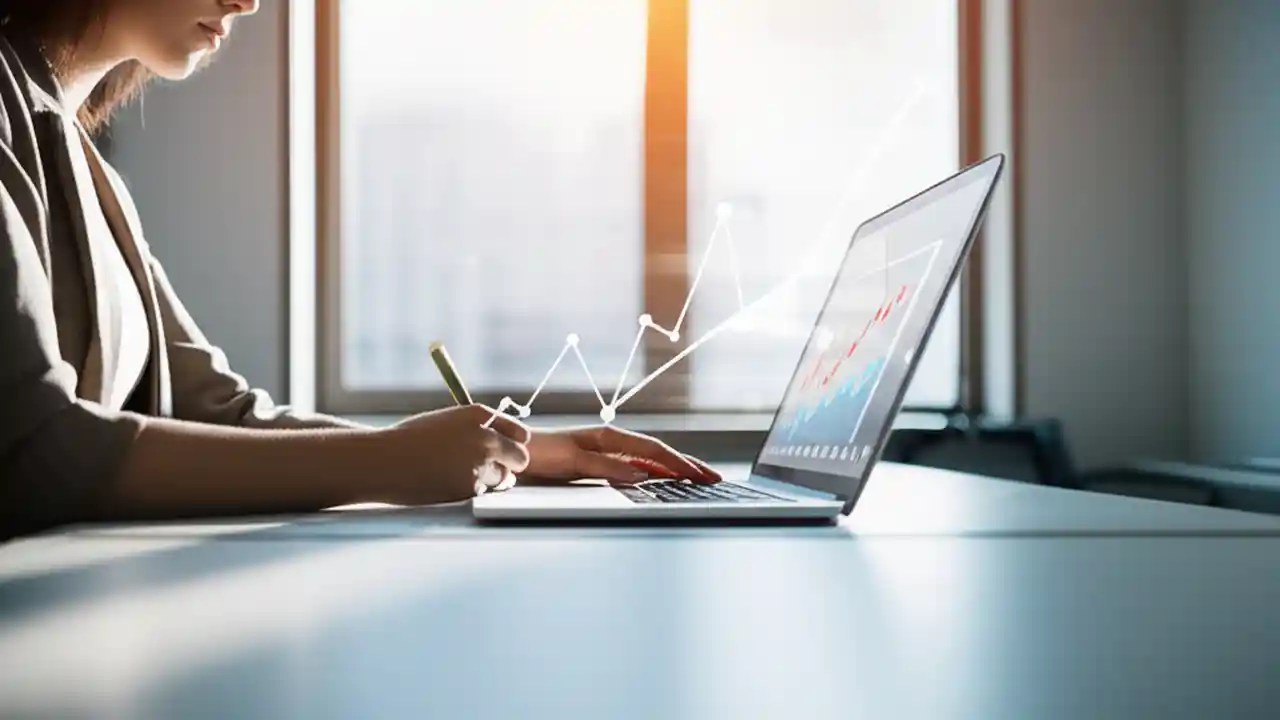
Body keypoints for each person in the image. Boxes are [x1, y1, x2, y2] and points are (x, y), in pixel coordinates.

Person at [0, 0, 719, 540]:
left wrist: (527, 455)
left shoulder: (89, 170)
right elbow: (38, 449)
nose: (249, 2)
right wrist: (386, 463)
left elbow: (219, 414)